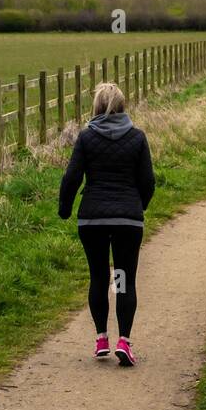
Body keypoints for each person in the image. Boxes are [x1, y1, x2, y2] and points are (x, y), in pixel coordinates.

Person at [58, 82, 154, 366]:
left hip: (92, 219)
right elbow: (148, 181)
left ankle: (101, 338)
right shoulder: (137, 138)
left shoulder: (87, 138)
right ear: (123, 107)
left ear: (96, 107)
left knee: (99, 277)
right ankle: (124, 341)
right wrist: (140, 204)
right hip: (127, 220)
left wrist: (65, 209)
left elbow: (72, 178)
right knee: (124, 279)